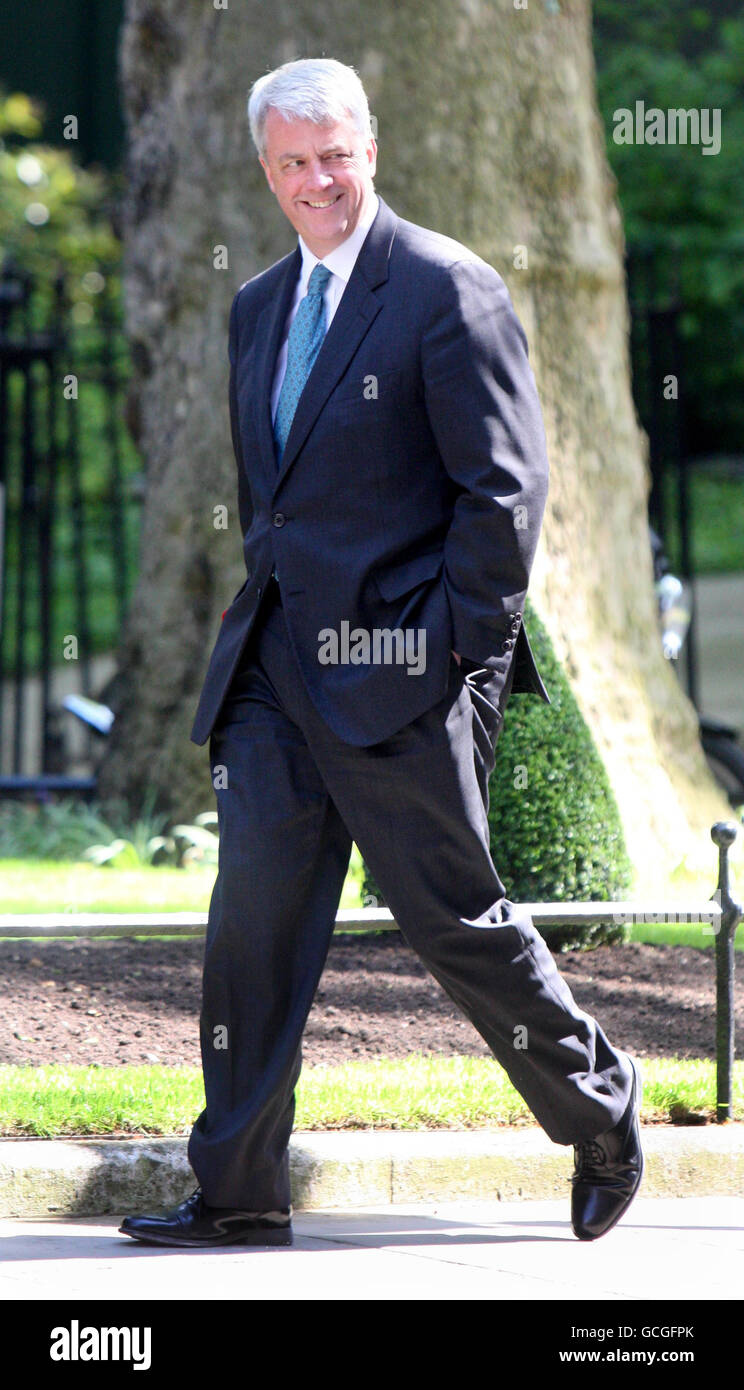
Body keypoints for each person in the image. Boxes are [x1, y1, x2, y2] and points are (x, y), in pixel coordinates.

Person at [120, 56, 642, 1249]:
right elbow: (281, 502)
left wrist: (447, 658)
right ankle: (240, 1190)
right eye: (294, 163)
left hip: (400, 678)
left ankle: (601, 1109)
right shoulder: (257, 304)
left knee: (455, 921)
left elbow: (504, 498)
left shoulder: (446, 287)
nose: (319, 181)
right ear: (266, 171)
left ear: (372, 148)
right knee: (248, 926)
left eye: (335, 156)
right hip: (272, 680)